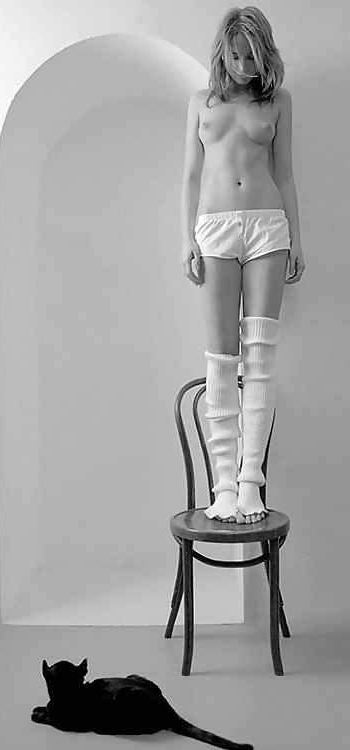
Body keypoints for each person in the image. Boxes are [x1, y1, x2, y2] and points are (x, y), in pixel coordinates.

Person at [180, 6, 305, 524]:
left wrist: (296, 239)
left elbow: (286, 172)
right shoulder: (201, 102)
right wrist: (187, 239)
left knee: (260, 357)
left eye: (253, 57)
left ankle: (250, 483)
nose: (244, 66)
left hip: (267, 227)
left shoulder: (278, 101)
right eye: (236, 55)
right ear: (223, 52)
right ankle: (223, 488)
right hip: (214, 229)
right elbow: (191, 176)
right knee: (221, 358)